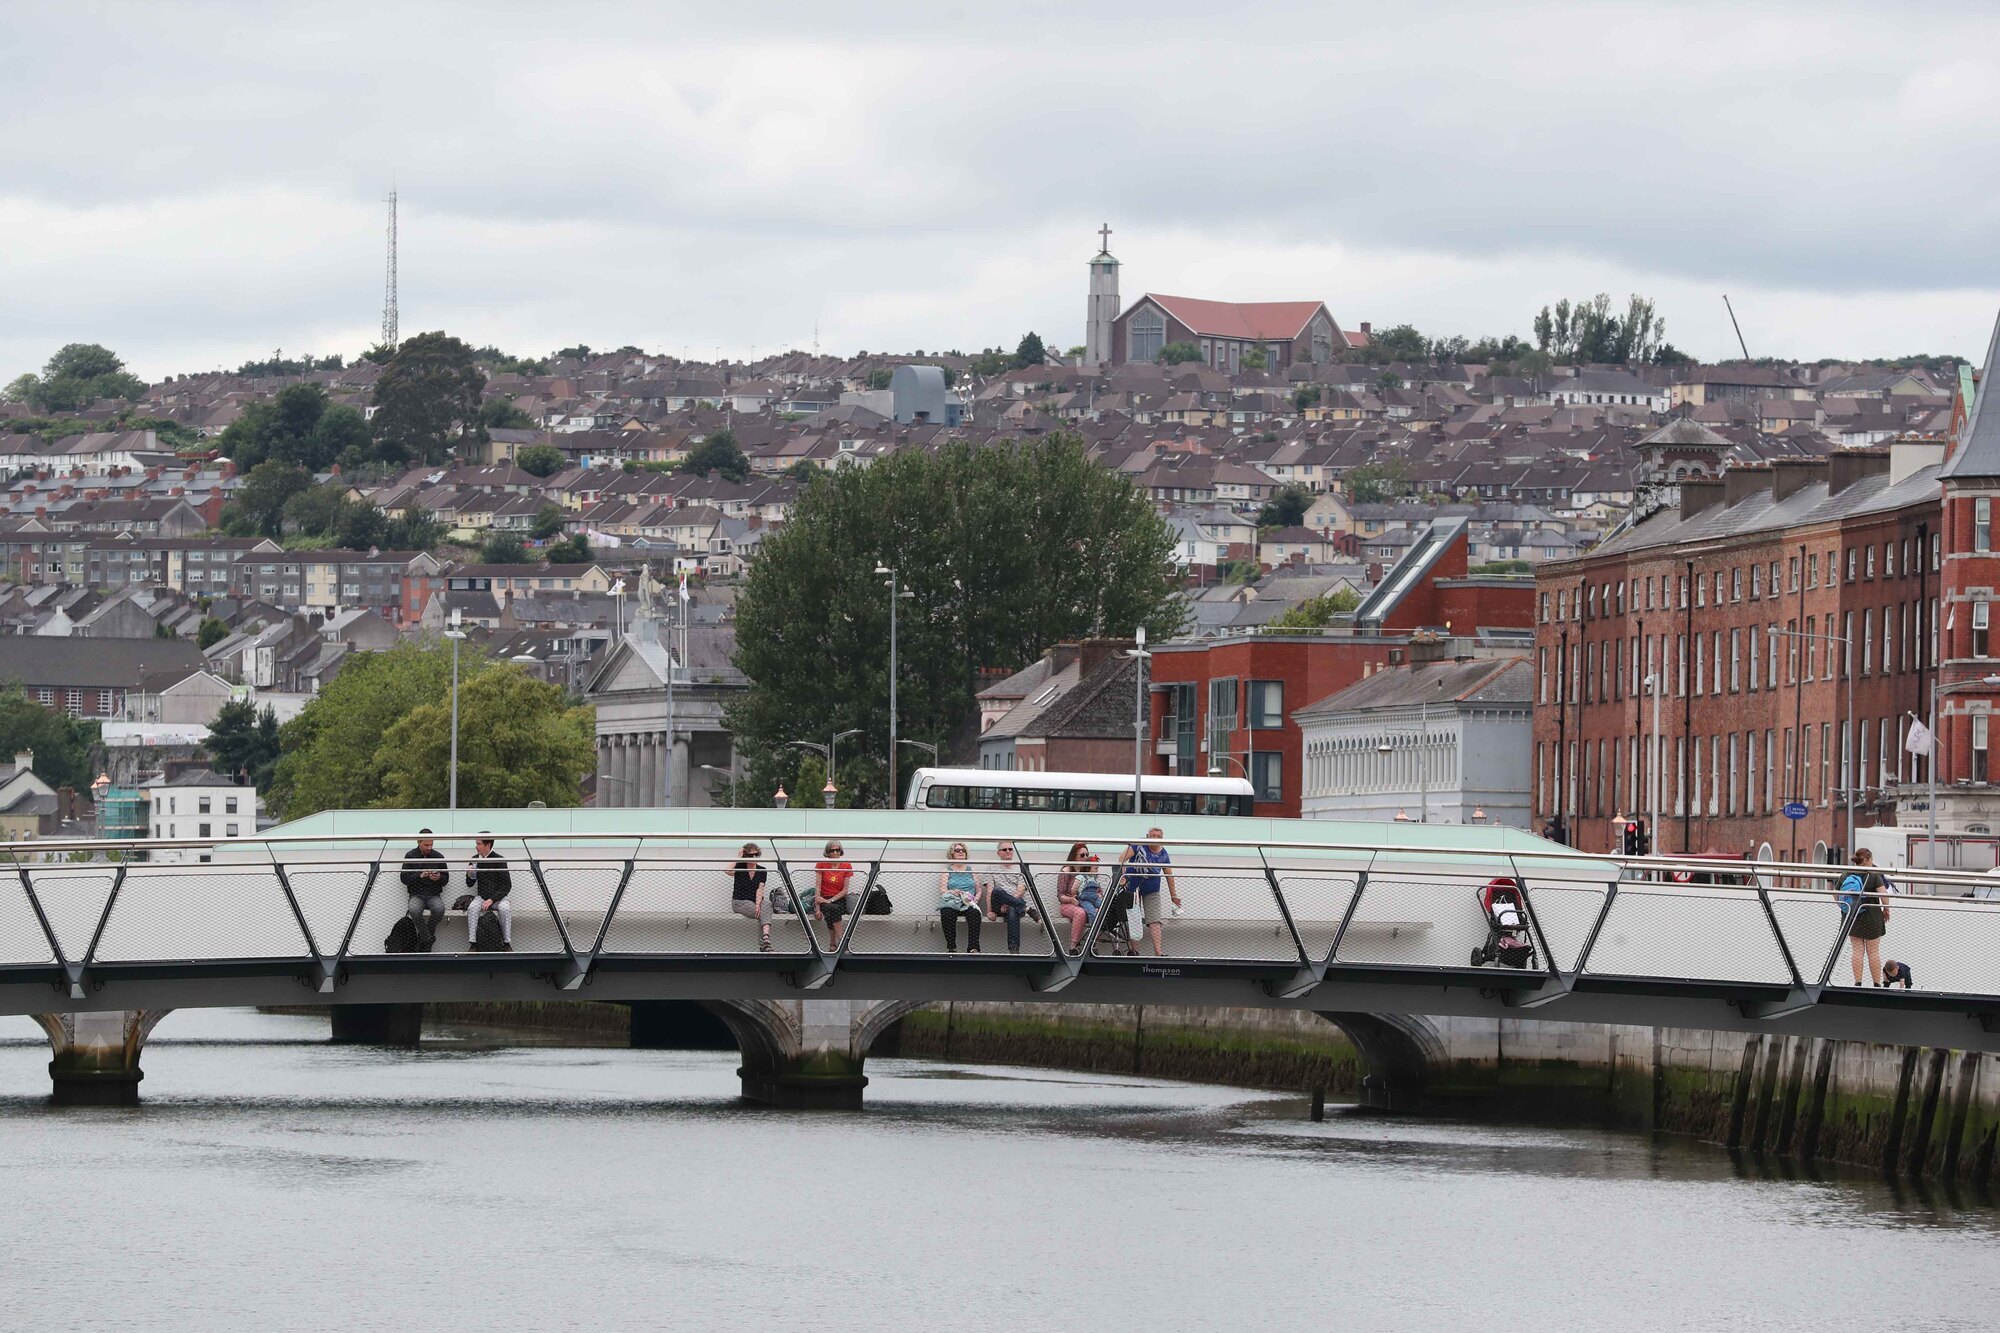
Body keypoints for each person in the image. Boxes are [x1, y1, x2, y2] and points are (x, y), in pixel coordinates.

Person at [1119, 828, 1182, 957]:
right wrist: (1123, 876)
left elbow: (1169, 875)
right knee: (1134, 917)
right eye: (1153, 835)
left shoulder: (1164, 854)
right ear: (1148, 836)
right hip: (1132, 887)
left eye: (1158, 836)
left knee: (1155, 920)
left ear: (1162, 838)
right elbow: (1121, 859)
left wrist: (1174, 896)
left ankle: (1158, 952)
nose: (1155, 838)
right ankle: (1134, 951)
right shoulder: (1138, 845)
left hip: (1152, 889)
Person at [1837, 847, 1889, 987]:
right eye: (1871, 859)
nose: (1872, 862)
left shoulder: (1846, 874)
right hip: (1872, 916)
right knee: (1873, 951)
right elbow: (1884, 895)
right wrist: (1886, 909)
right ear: (1866, 860)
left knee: (1857, 950)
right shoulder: (1873, 875)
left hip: (1852, 917)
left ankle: (1858, 982)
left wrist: (1844, 908)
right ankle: (1877, 983)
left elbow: (1836, 895)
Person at [982, 840, 1036, 954]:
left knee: (1013, 908)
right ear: (998, 853)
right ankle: (1026, 908)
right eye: (1004, 849)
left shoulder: (1020, 868)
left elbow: (1021, 890)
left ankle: (1014, 949)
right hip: (998, 904)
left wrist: (1008, 903)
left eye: (1010, 849)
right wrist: (990, 911)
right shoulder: (991, 867)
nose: (1008, 851)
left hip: (1014, 904)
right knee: (997, 890)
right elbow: (990, 891)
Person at [399, 827, 449, 946]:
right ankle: (427, 937)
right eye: (426, 845)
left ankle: (425, 935)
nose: (429, 848)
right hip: (416, 894)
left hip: (433, 894)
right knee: (414, 910)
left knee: (440, 909)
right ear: (418, 842)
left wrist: (438, 878)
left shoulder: (438, 856)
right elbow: (404, 879)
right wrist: (420, 875)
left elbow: (446, 879)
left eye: (431, 844)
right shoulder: (410, 855)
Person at [465, 832, 514, 951]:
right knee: (472, 908)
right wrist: (469, 874)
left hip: (499, 898)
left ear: (488, 845)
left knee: (505, 909)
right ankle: (473, 943)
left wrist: (492, 900)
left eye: (479, 844)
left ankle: (507, 944)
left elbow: (507, 885)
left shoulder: (499, 860)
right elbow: (470, 883)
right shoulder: (474, 859)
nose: (476, 846)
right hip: (481, 897)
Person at [1055, 841, 1101, 953]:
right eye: (1082, 855)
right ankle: (1073, 947)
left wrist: (1099, 895)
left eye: (1086, 855)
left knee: (1100, 910)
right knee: (1080, 912)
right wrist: (1070, 899)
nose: (1085, 857)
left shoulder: (1091, 871)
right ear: (1074, 856)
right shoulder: (1067, 871)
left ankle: (1092, 942)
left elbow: (1098, 889)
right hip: (1069, 904)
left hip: (1087, 902)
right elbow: (1060, 895)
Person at [937, 842, 982, 952]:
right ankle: (952, 947)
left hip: (968, 902)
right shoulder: (947, 870)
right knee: (946, 913)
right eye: (958, 850)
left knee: (975, 913)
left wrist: (975, 899)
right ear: (952, 853)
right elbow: (943, 890)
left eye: (963, 850)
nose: (961, 852)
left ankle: (973, 948)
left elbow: (979, 889)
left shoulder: (972, 870)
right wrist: (953, 891)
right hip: (953, 901)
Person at [731, 842, 771, 952]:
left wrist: (758, 904)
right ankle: (765, 943)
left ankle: (766, 936)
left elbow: (760, 889)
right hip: (739, 902)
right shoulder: (740, 867)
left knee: (767, 904)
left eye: (756, 855)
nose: (754, 857)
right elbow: (728, 871)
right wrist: (738, 857)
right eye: (750, 855)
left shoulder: (762, 870)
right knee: (763, 914)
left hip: (755, 901)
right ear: (745, 856)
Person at [815, 841, 854, 949]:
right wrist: (817, 908)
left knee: (833, 909)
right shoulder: (821, 864)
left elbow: (845, 890)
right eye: (832, 850)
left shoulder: (846, 865)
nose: (835, 852)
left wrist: (831, 900)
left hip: (839, 898)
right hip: (824, 898)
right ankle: (842, 941)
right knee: (832, 909)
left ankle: (833, 943)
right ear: (827, 852)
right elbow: (817, 888)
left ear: (841, 851)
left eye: (837, 850)